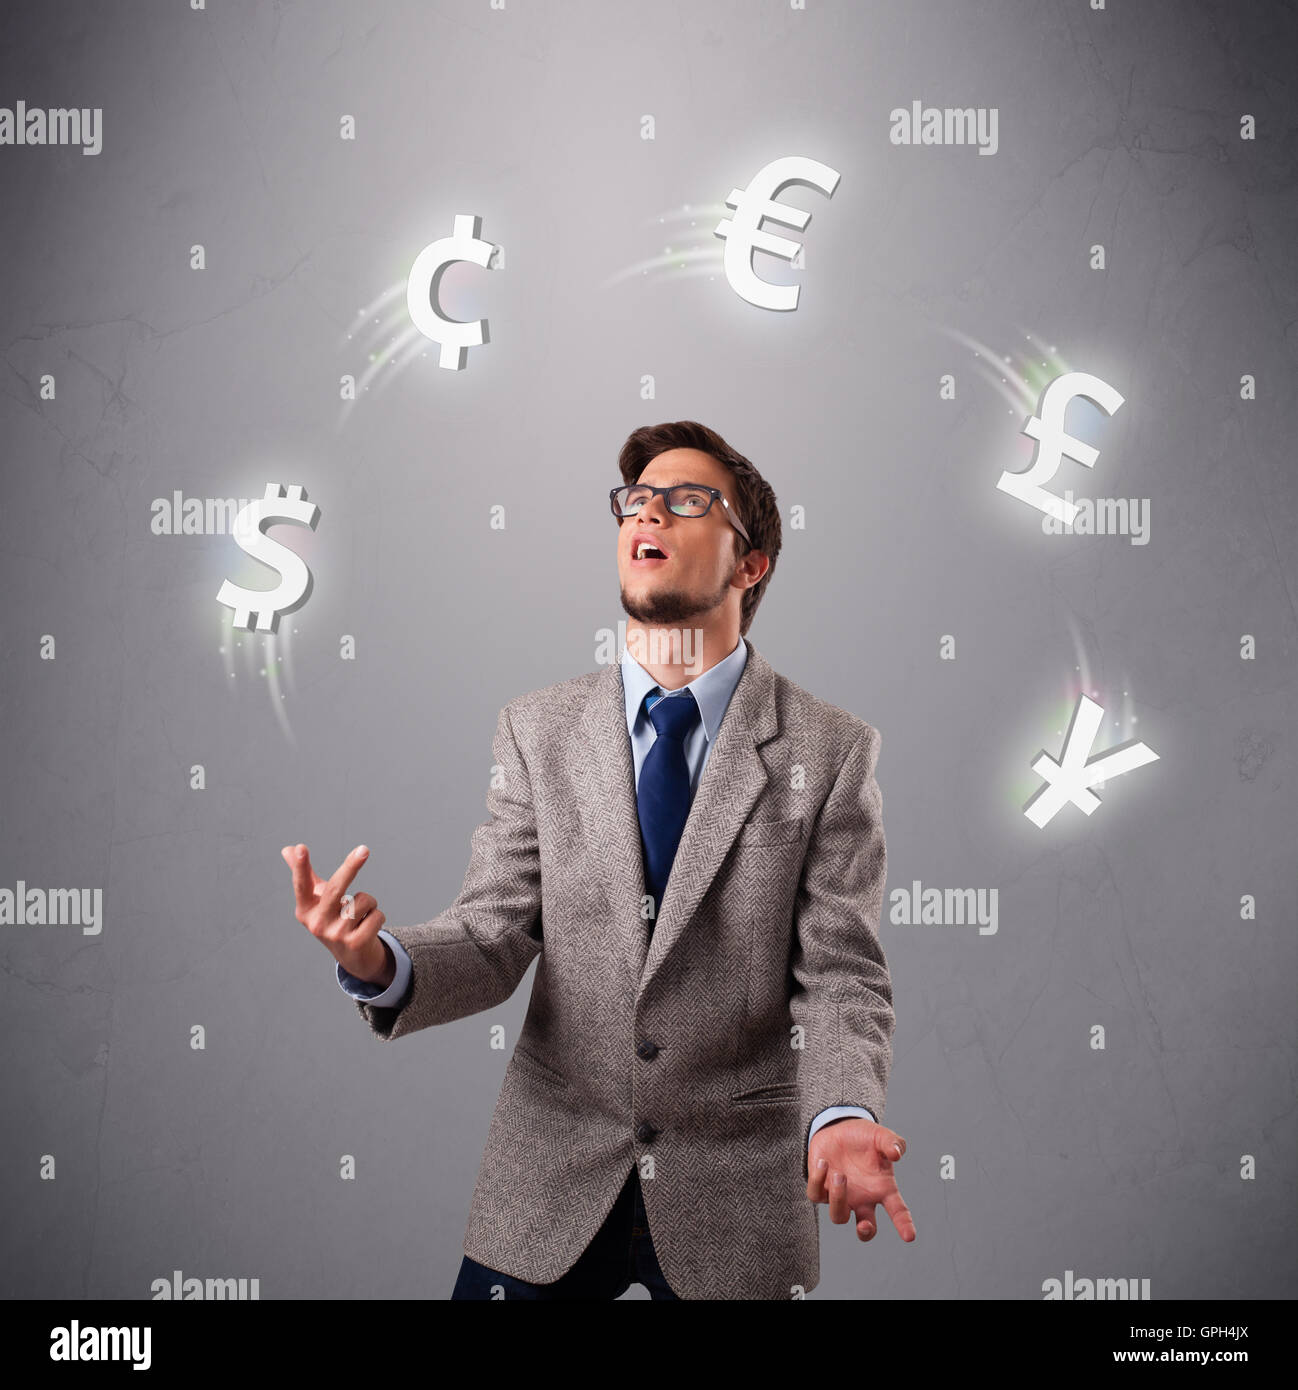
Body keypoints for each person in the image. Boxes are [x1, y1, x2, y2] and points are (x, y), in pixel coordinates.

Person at [283, 419, 915, 1299]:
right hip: (550, 1170)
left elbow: (842, 976)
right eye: (636, 500)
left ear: (750, 564)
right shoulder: (536, 728)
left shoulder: (832, 749)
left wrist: (843, 1114)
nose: (649, 513)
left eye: (688, 500)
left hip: (736, 1191)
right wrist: (377, 961)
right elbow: (493, 934)